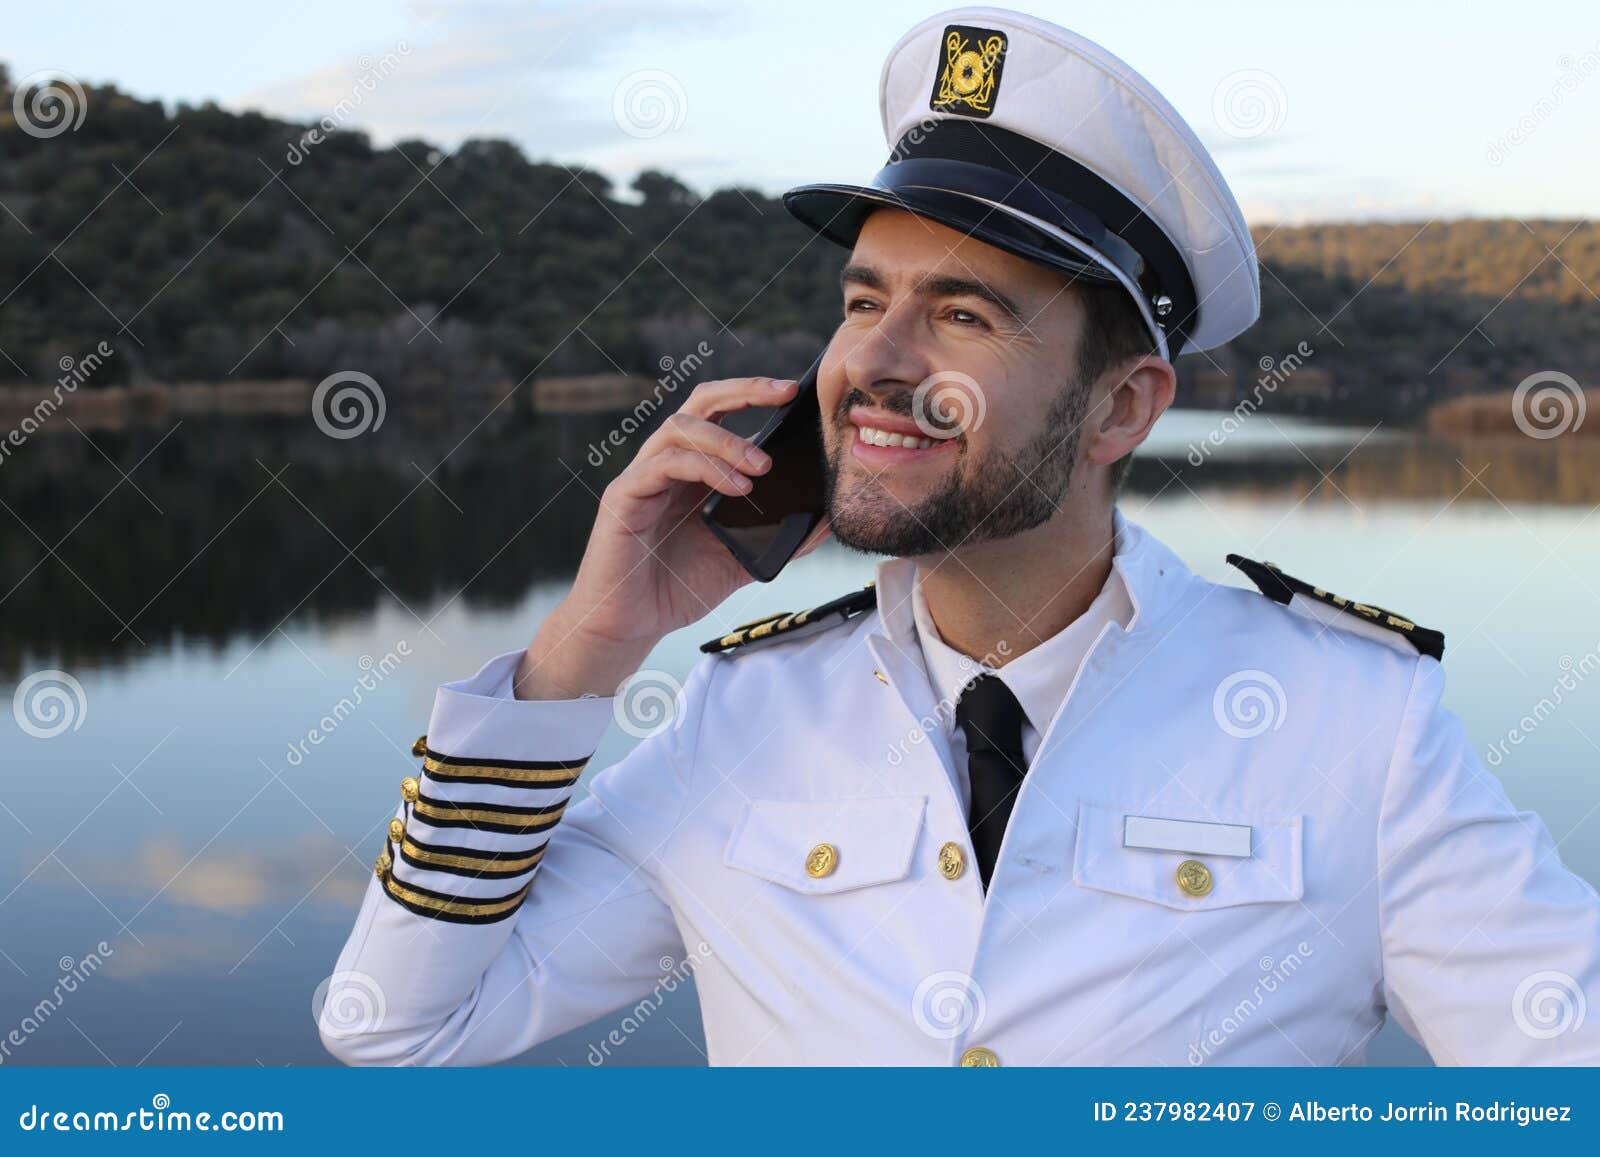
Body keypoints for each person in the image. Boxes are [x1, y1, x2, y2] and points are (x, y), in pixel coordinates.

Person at [320, 7, 1600, 1066]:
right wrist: (585, 650)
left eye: (963, 315)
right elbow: (400, 1024)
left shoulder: (1349, 722)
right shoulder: (737, 718)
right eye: (861, 299)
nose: (871, 361)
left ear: (1120, 405)